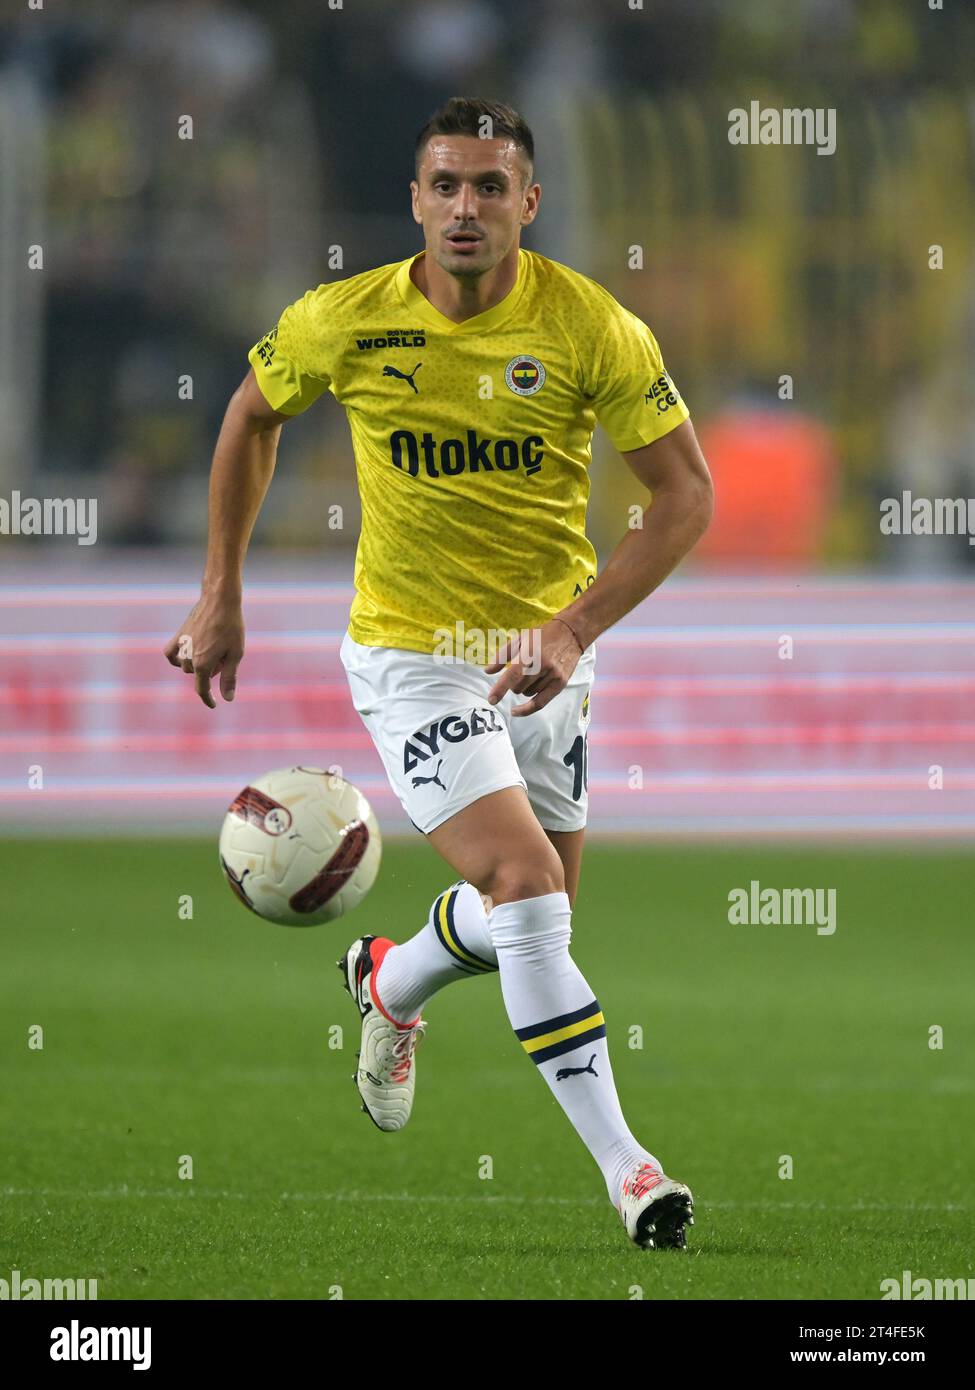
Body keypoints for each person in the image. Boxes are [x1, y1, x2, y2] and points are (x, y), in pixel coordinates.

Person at [165, 96, 714, 1250]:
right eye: (447, 185)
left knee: (536, 913)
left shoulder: (591, 327)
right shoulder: (346, 319)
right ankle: (632, 1172)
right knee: (525, 886)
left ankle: (390, 981)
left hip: (543, 656)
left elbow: (685, 495)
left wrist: (574, 629)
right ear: (415, 200)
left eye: (491, 186)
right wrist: (222, 591)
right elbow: (252, 415)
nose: (468, 206)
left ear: (530, 202)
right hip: (412, 654)